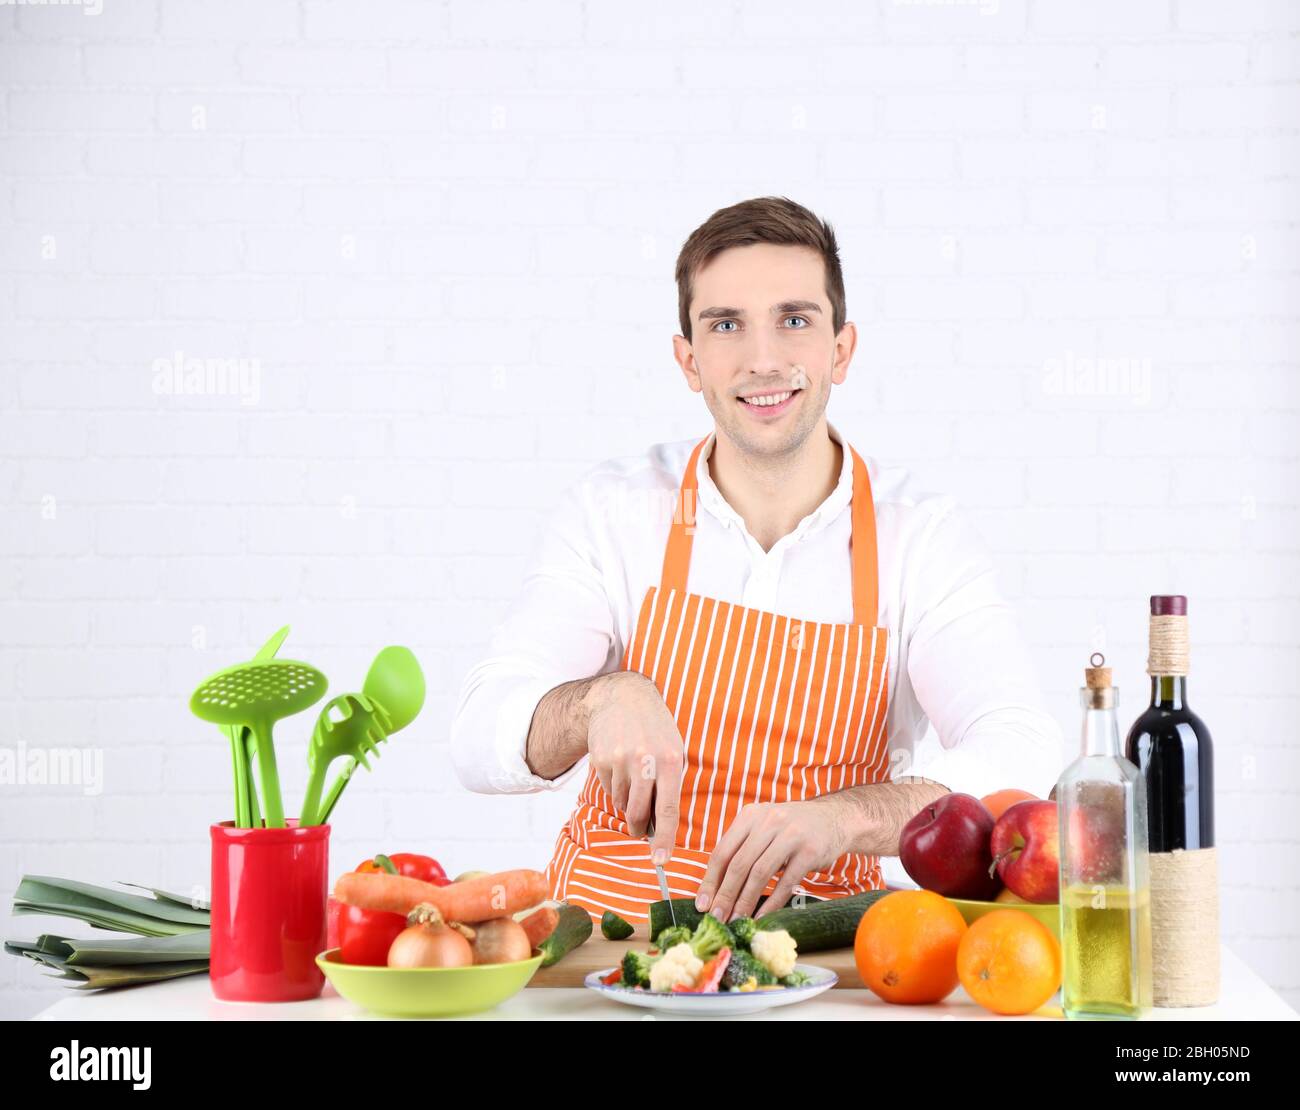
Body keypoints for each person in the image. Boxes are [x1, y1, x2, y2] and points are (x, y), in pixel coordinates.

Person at [451, 196, 1062, 924]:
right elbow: (476, 734)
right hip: (608, 950)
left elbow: (1022, 748)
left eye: (795, 320)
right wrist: (601, 701)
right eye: (727, 324)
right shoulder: (613, 511)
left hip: (823, 952)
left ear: (841, 349)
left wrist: (841, 820)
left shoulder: (920, 537)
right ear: (689, 360)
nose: (763, 359)